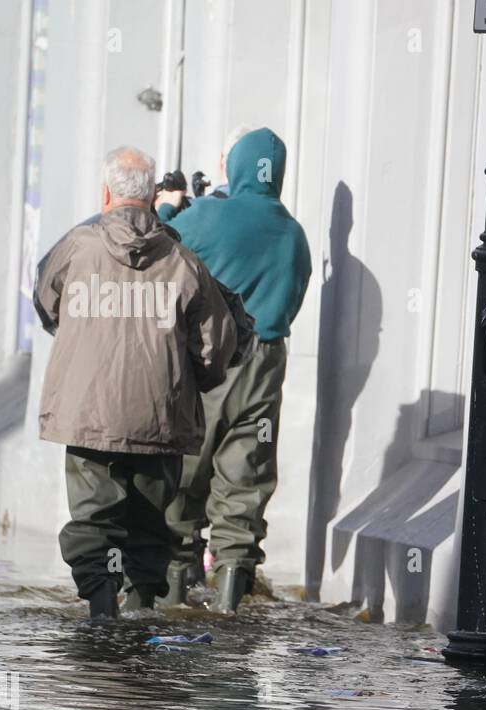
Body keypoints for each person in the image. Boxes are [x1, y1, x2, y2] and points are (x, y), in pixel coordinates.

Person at [33, 146, 238, 618]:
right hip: (158, 418)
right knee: (149, 521)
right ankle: (141, 605)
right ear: (150, 197)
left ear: (105, 192)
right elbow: (216, 345)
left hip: (87, 416)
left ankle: (103, 611)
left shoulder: (75, 249)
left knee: (93, 519)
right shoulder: (184, 262)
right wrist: (192, 381)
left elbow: (46, 305)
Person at [154, 127, 312, 611]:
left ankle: (175, 599)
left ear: (236, 166)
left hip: (210, 364)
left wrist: (165, 207)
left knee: (183, 482)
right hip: (266, 369)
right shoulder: (294, 234)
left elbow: (157, 250)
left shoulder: (209, 216)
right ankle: (228, 606)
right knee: (245, 483)